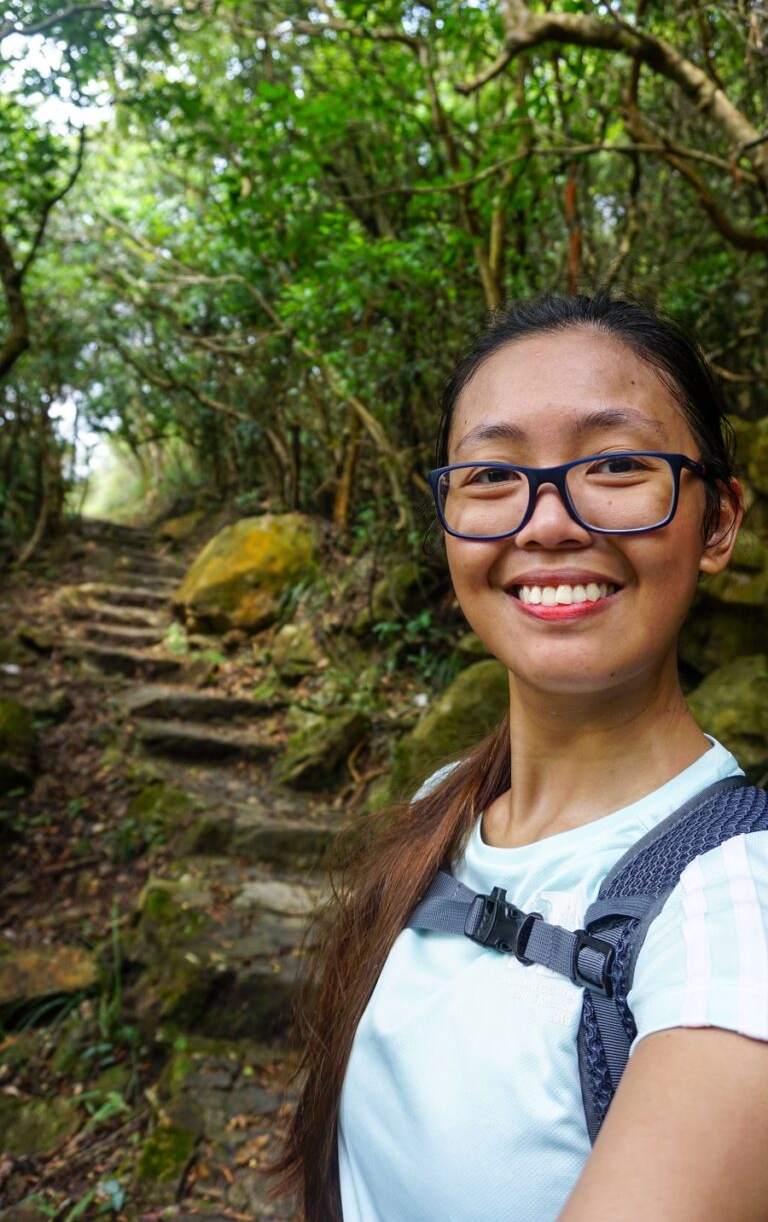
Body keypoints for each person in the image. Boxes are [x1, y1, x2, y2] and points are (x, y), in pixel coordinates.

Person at [274, 290, 768, 1221]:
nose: (546, 522)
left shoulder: (733, 915)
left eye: (617, 463)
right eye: (492, 476)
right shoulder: (446, 806)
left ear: (719, 521)